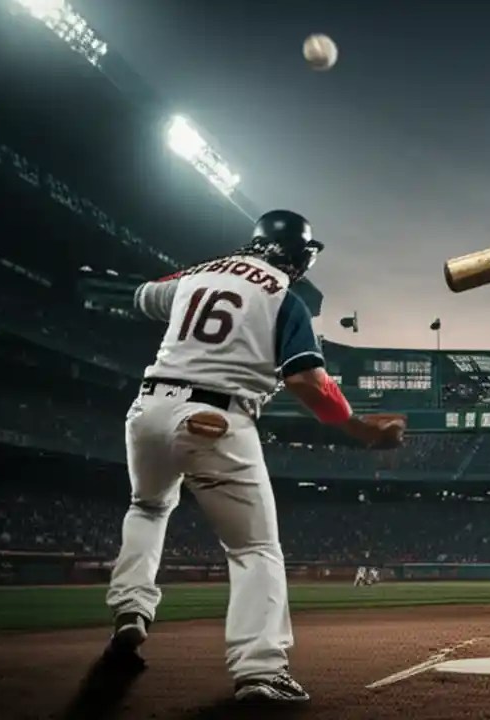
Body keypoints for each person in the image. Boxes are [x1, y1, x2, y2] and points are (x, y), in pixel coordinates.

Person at [102, 210, 404, 702]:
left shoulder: (198, 275)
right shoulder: (286, 297)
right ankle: (260, 669)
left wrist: (197, 276)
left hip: (148, 410)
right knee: (254, 550)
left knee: (149, 507)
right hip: (217, 418)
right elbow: (307, 380)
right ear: (298, 256)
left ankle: (131, 609)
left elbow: (143, 295)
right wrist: (359, 427)